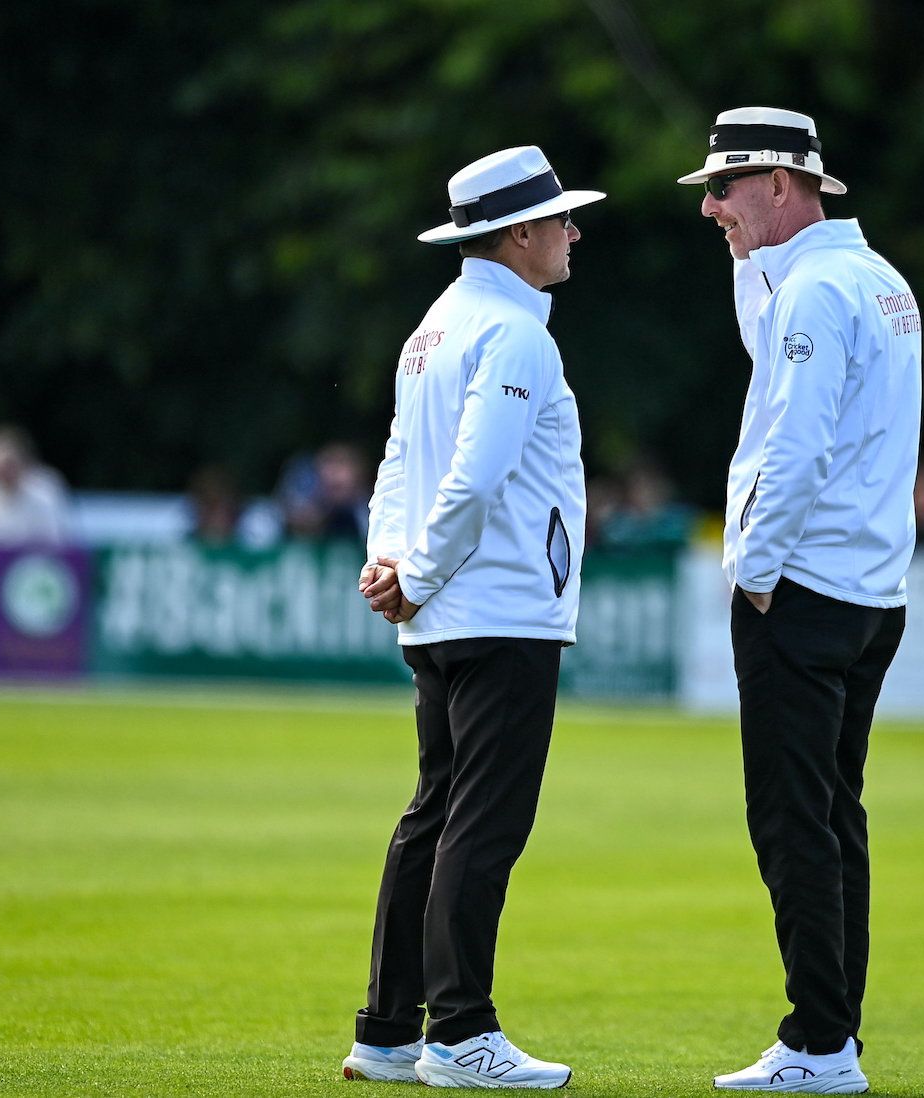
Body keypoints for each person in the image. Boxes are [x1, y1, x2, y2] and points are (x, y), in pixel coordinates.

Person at [341, 146, 603, 1090]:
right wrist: (411, 571)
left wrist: (392, 561)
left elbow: (399, 465)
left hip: (447, 608)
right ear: (521, 233)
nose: (574, 234)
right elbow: (475, 475)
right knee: (481, 824)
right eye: (562, 220)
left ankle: (386, 1030)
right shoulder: (516, 334)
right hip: (499, 610)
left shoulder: (433, 327)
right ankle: (459, 1032)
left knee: (436, 813)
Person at [678, 106, 920, 1094]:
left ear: (779, 183)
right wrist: (746, 251)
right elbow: (766, 346)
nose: (708, 208)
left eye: (724, 189)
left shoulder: (818, 290)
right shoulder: (870, 278)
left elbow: (795, 444)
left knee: (791, 824)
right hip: (867, 589)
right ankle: (831, 1036)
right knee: (830, 817)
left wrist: (753, 573)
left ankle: (819, 1044)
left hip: (805, 590)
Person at [0, 424, 71, 549]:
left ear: (24, 460)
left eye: (10, 465)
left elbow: (58, 539)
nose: (4, 473)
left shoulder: (45, 491)